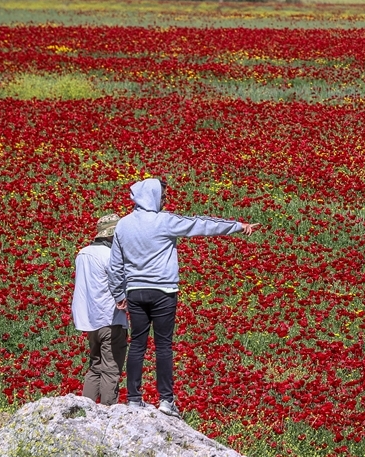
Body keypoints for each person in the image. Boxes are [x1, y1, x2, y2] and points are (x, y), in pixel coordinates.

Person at [108, 177, 259, 418]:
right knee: (163, 345)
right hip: (163, 291)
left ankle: (134, 399)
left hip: (135, 291)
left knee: (137, 343)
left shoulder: (123, 225)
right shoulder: (164, 222)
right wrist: (238, 226)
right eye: (163, 197)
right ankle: (166, 401)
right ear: (153, 197)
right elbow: (200, 225)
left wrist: (118, 292)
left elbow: (115, 263)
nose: (165, 202)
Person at [72, 213, 129, 405]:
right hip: (110, 319)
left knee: (95, 367)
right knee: (110, 370)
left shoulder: (83, 253)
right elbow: (119, 283)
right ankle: (107, 415)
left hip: (89, 320)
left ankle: (86, 412)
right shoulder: (110, 255)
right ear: (112, 235)